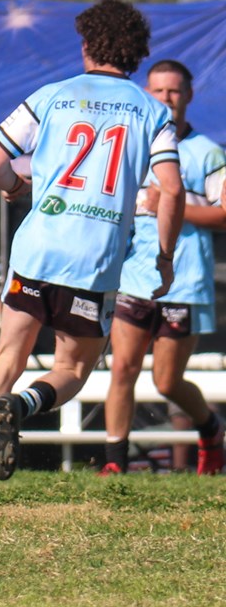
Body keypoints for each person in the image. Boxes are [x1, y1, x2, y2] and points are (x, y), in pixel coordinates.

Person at [0, 0, 184, 489]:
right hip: (94, 262)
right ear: (136, 53)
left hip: (36, 251)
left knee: (7, 358)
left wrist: (15, 189)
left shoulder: (51, 95)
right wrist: (164, 258)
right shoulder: (153, 111)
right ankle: (22, 406)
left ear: (86, 46)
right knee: (73, 368)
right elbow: (171, 189)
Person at [101, 59, 226, 476]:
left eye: (174, 91)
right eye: (158, 91)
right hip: (134, 278)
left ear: (188, 95)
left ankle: (210, 428)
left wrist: (171, 204)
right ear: (146, 94)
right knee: (122, 368)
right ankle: (114, 464)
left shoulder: (207, 152)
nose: (166, 98)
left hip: (183, 283)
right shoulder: (134, 145)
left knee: (167, 381)